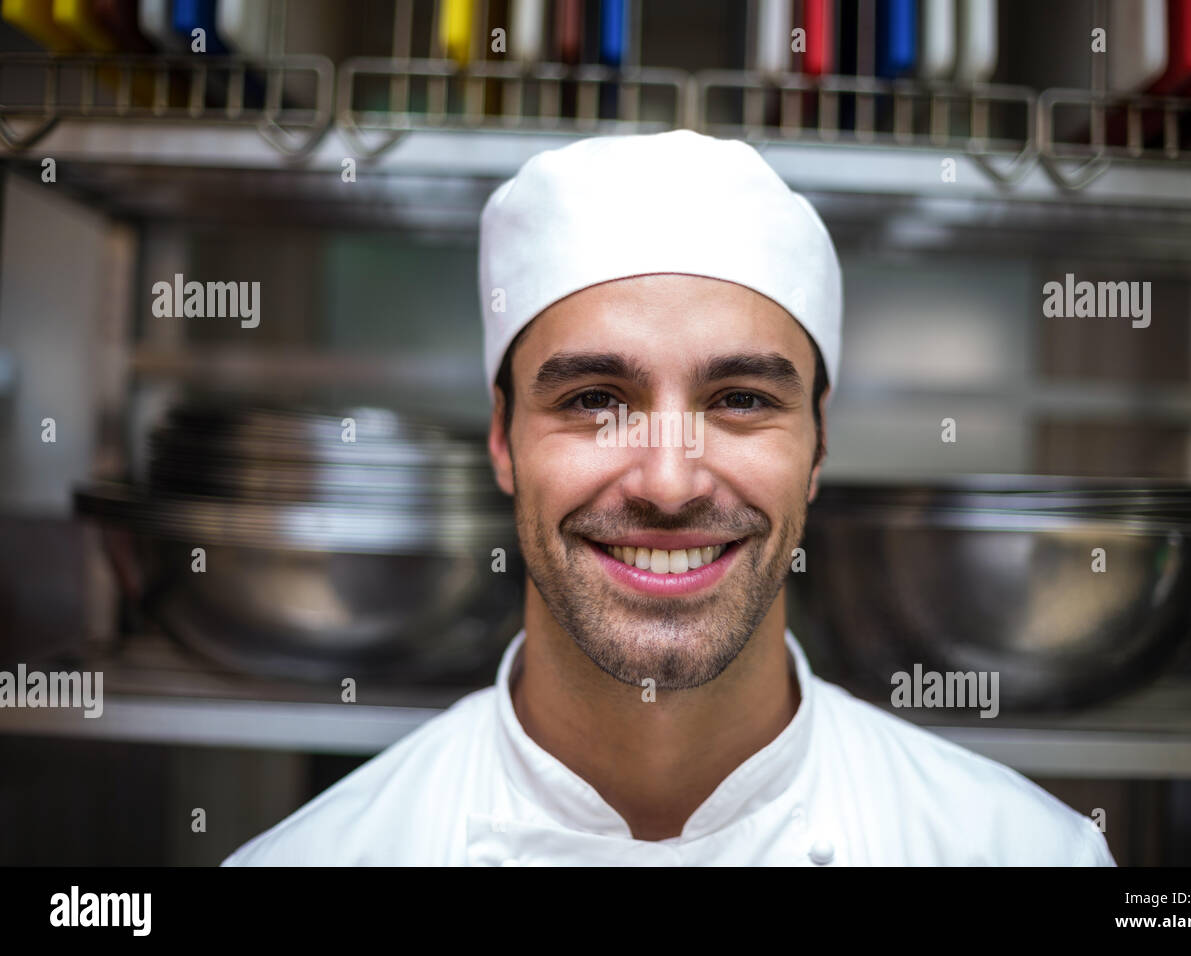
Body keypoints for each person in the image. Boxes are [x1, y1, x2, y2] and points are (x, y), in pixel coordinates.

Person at [223, 129, 1116, 866]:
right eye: (594, 401)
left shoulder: (1025, 853)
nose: (668, 480)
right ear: (501, 437)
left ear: (819, 442)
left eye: (740, 401)